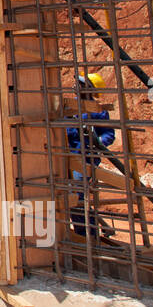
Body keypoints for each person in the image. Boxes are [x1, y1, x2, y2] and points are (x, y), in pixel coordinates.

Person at [67, 72, 117, 238]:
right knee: (65, 193)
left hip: (85, 158)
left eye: (80, 83)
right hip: (66, 155)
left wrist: (95, 141)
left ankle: (89, 235)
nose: (76, 86)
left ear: (89, 88)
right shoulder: (70, 107)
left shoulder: (98, 112)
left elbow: (109, 134)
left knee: (76, 195)